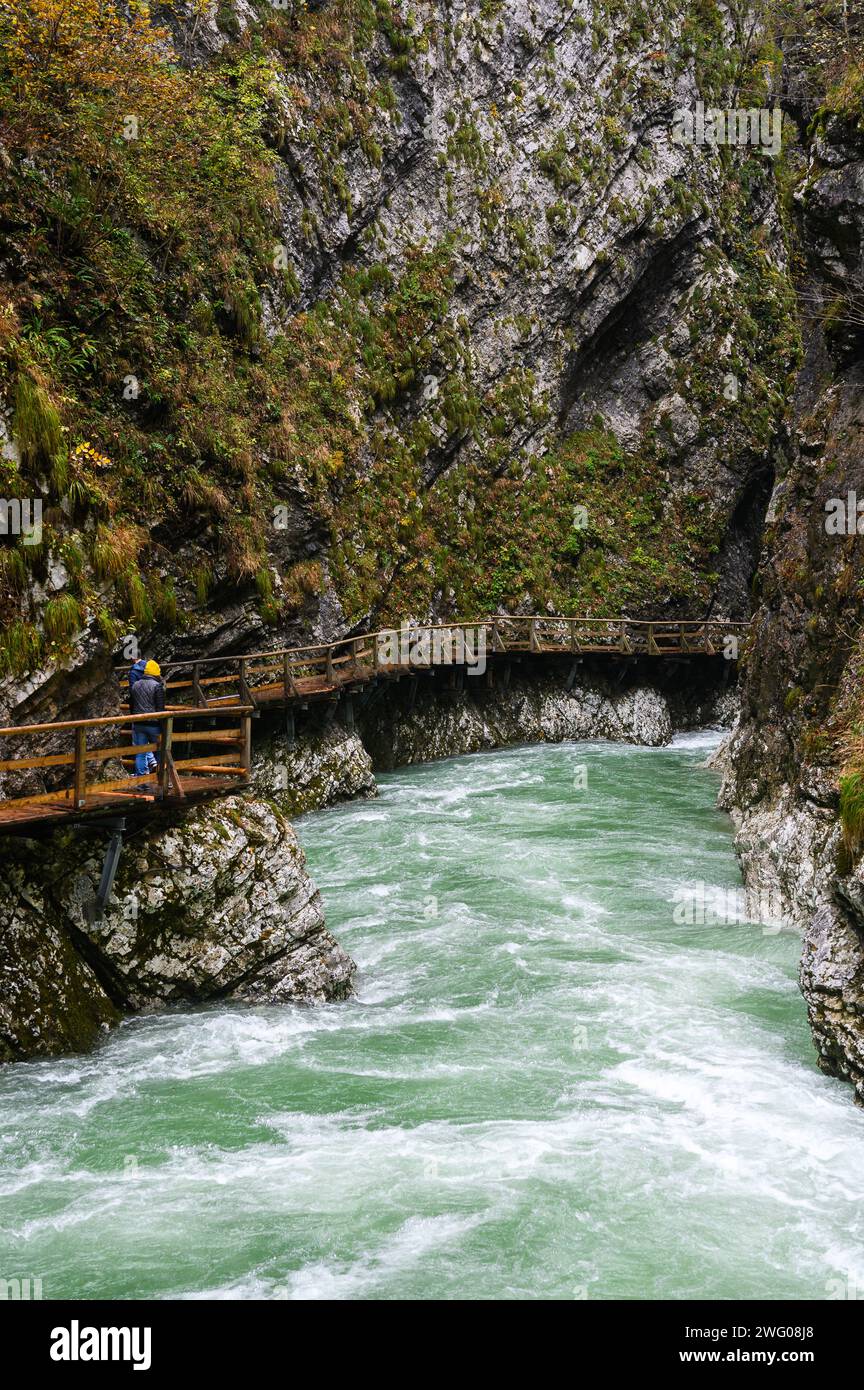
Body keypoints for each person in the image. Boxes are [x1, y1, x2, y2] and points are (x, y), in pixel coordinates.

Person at [129, 659, 165, 777]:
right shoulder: (157, 686)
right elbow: (160, 709)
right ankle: (161, 779)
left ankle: (141, 782)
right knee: (160, 751)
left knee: (140, 753)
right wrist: (163, 728)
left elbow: (132, 705)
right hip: (153, 724)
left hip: (138, 724)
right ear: (156, 673)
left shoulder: (135, 685)